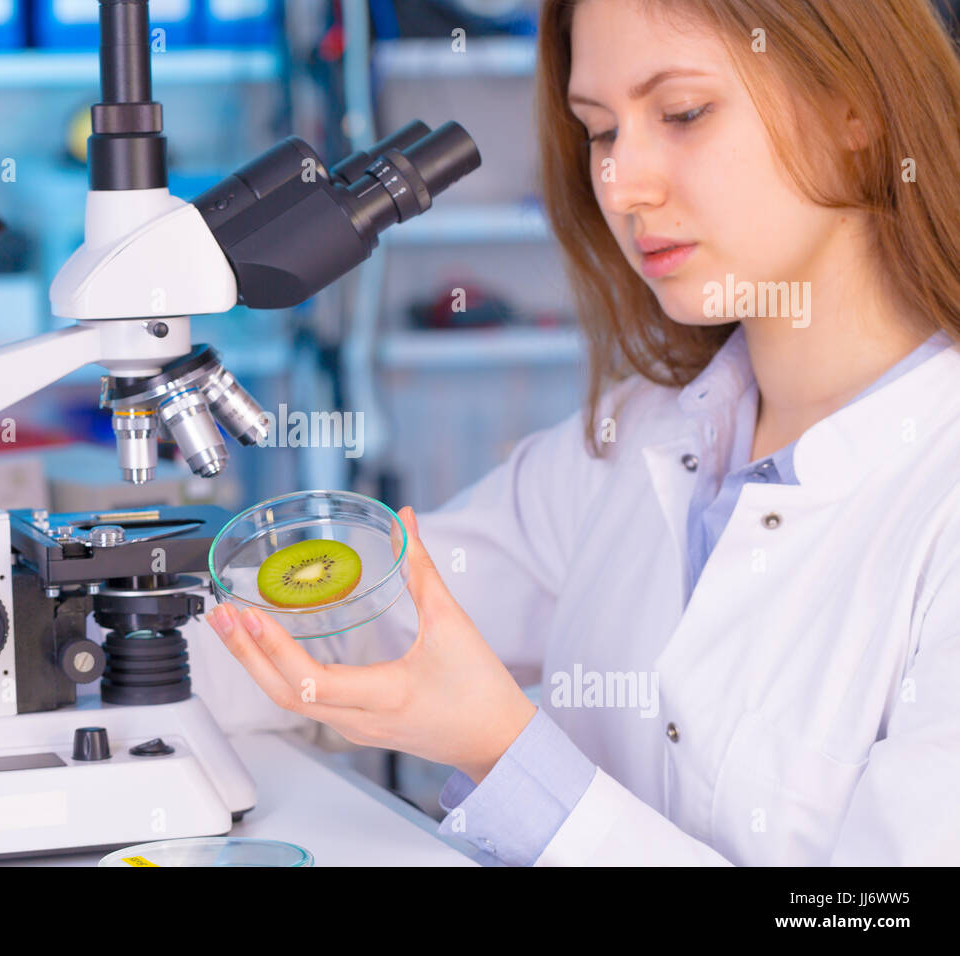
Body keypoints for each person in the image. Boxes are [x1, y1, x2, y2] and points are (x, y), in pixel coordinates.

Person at [202, 0, 960, 865]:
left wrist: (508, 756)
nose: (622, 184)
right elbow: (363, 624)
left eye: (682, 114)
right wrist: (86, 637)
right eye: (599, 132)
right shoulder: (638, 435)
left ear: (853, 109)